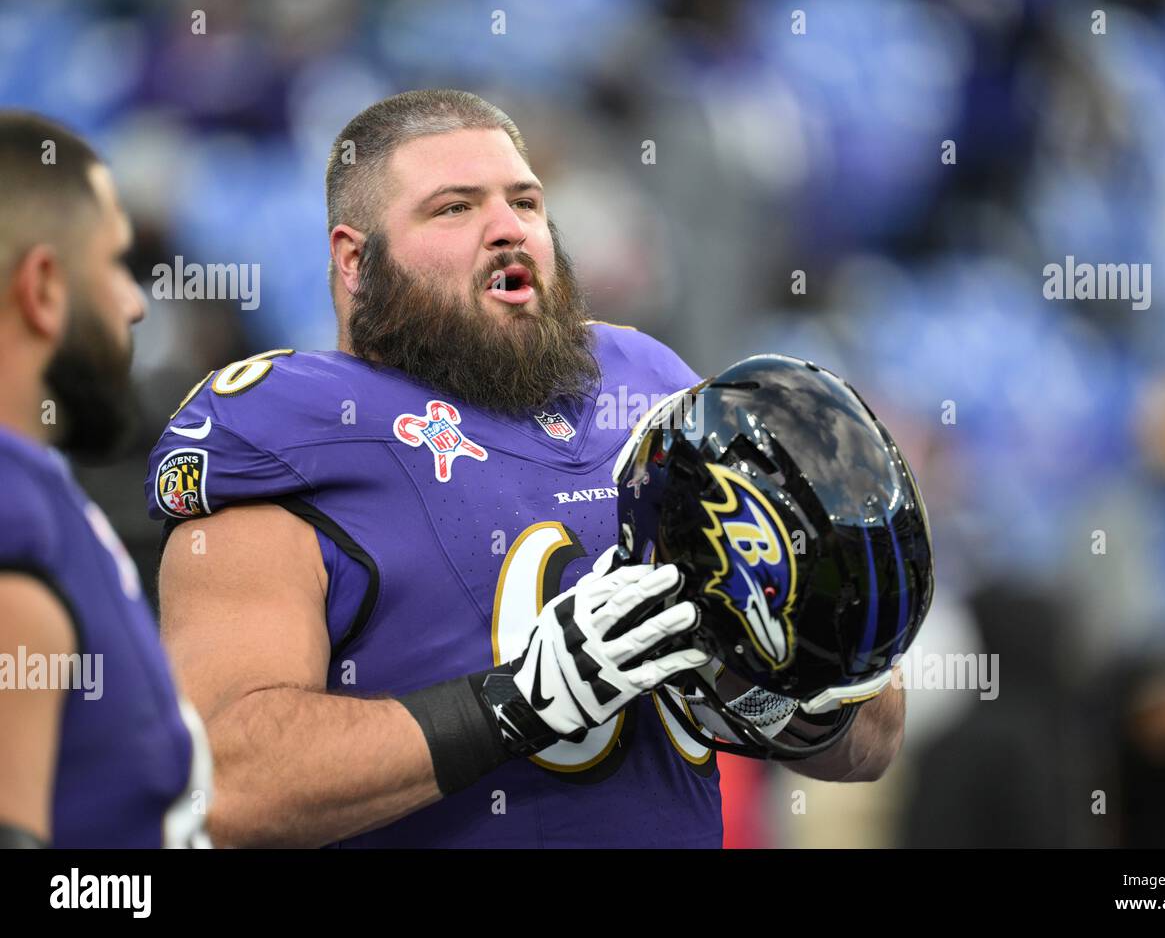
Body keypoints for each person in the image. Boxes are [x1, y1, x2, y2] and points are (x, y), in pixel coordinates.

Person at [148, 89, 903, 848]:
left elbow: (873, 739)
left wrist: (765, 695)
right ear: (355, 259)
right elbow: (220, 786)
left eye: (526, 201)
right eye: (453, 208)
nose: (508, 229)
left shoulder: (645, 384)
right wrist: (519, 703)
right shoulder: (287, 425)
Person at [0, 112, 209, 848]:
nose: (134, 301)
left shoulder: (38, 490)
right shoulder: (16, 529)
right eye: (115, 263)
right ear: (45, 288)